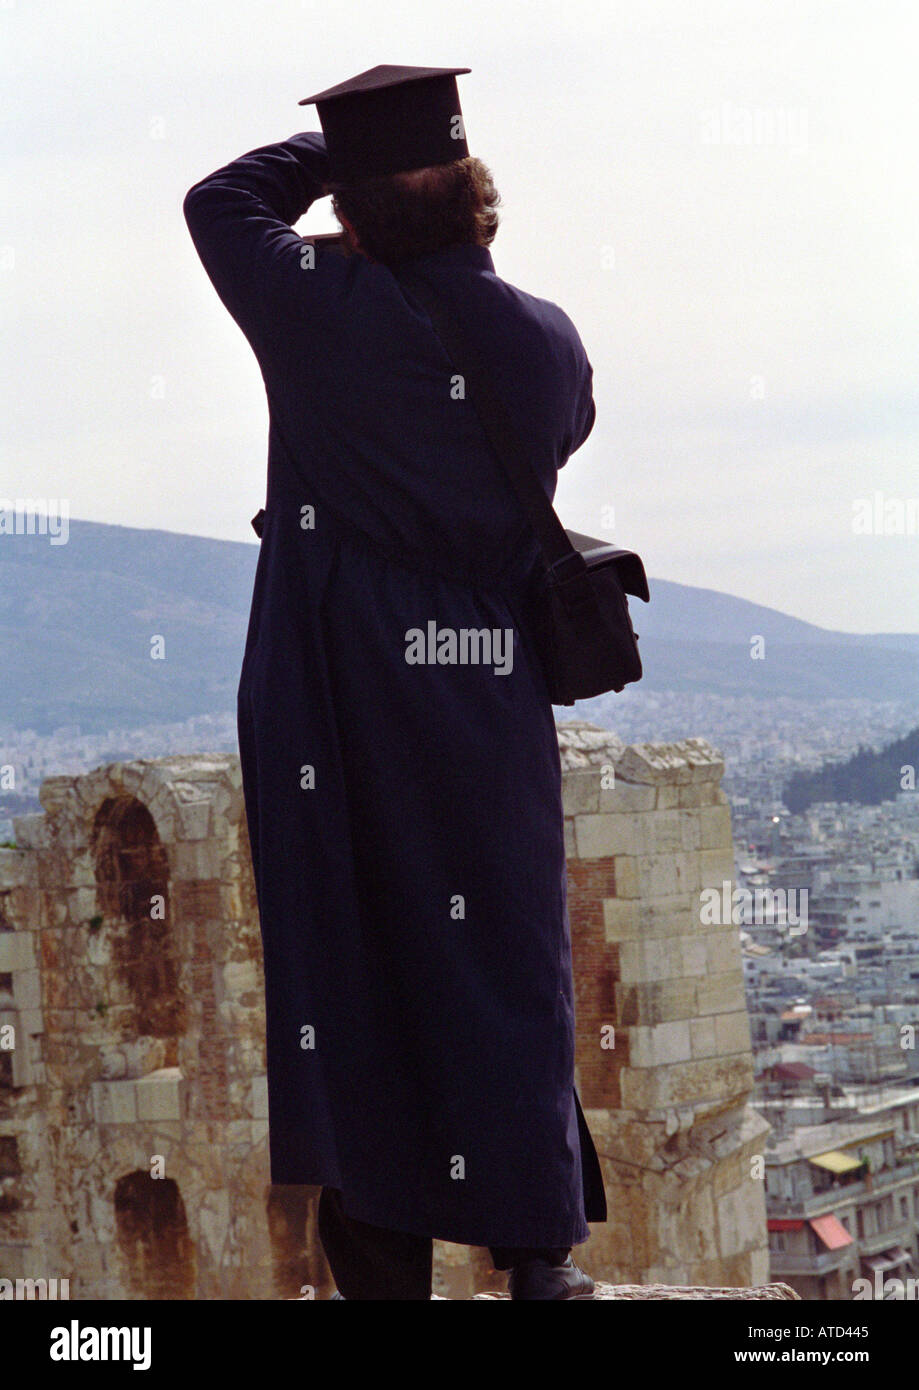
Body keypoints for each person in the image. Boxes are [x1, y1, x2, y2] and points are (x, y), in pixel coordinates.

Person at [183, 64, 606, 1300]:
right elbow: (560, 437)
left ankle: (384, 1273)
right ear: (480, 198)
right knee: (502, 951)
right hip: (480, 673)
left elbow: (219, 202)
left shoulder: (321, 305)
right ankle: (535, 1258)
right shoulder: (546, 340)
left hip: (334, 678)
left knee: (350, 962)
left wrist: (336, 159)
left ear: (354, 218)